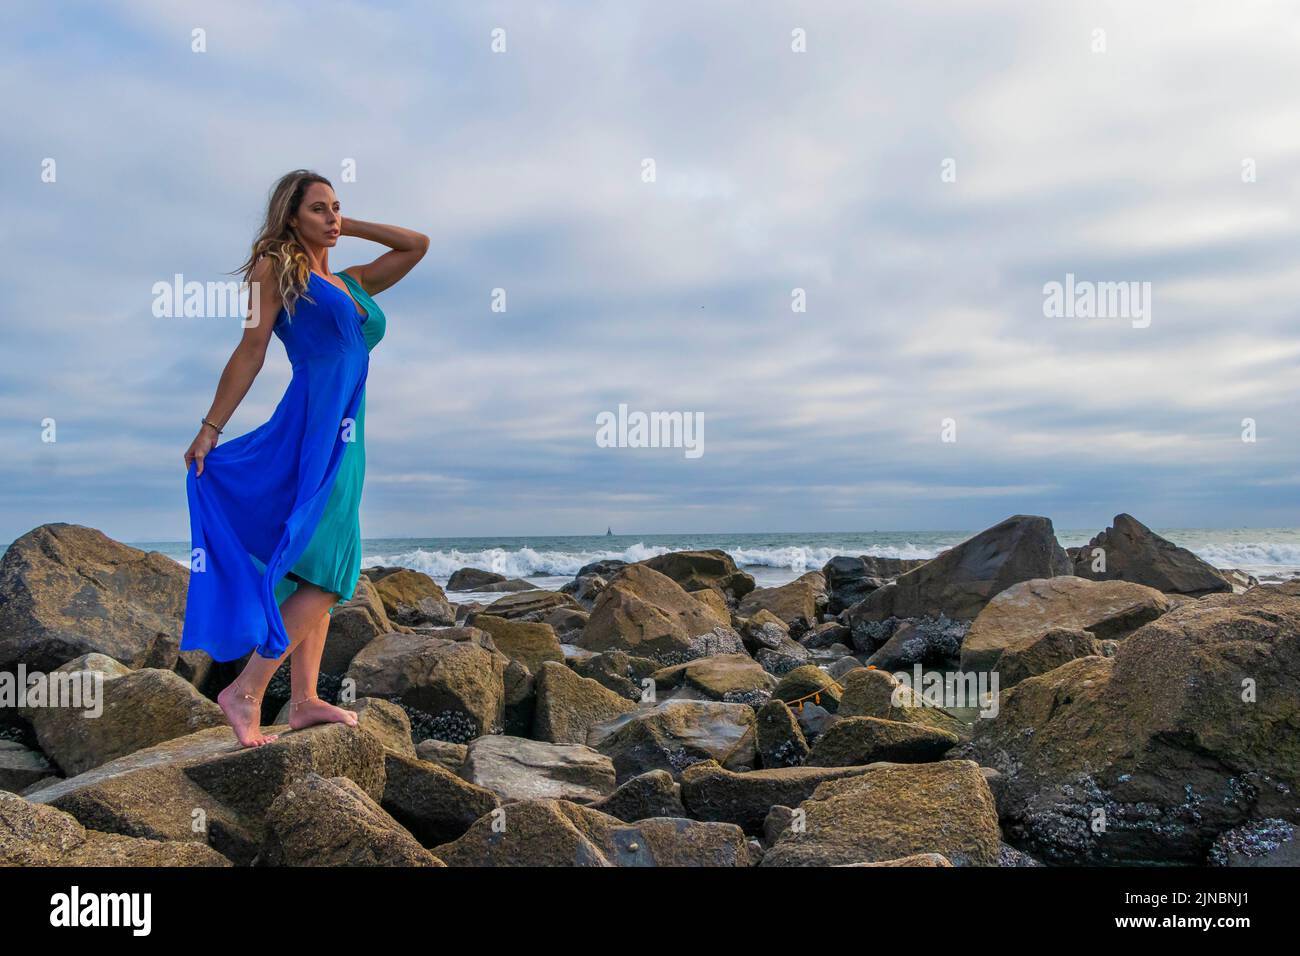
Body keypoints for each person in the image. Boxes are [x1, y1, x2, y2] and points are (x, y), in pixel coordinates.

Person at [181, 169, 428, 746]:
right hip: (314, 426)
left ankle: (304, 700)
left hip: (349, 427)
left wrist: (345, 224)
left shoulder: (352, 281)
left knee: (312, 566)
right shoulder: (277, 271)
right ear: (291, 216)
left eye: (336, 207)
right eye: (319, 209)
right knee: (334, 570)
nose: (332, 217)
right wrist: (211, 426)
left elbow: (416, 245)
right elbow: (251, 348)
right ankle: (244, 691)